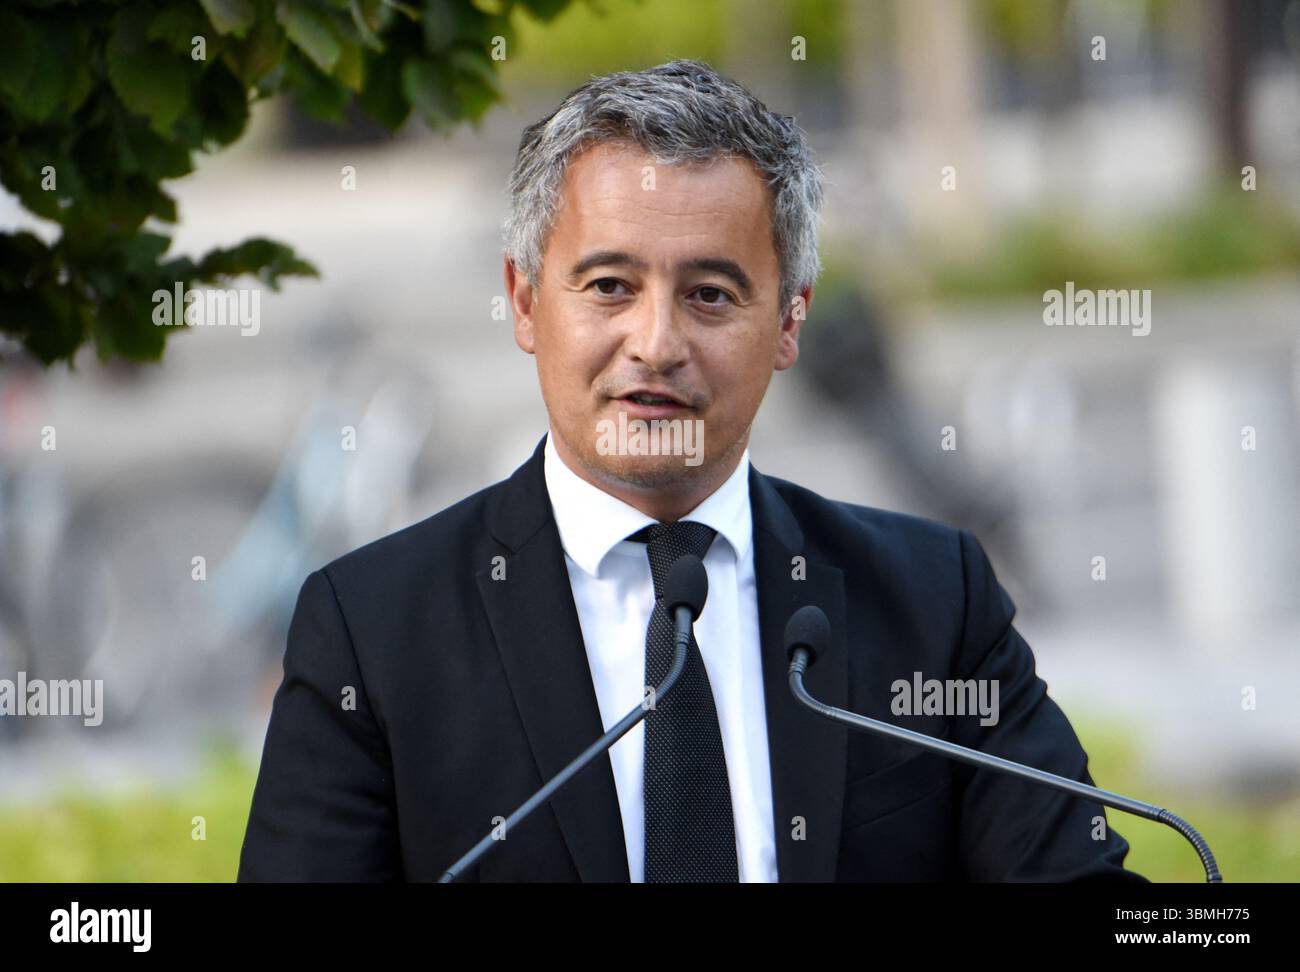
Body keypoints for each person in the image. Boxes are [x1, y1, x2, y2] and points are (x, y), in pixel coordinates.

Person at [238, 59, 1145, 883]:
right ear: (523, 301)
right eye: (609, 287)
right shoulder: (372, 630)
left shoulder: (932, 601)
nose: (658, 344)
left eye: (710, 295)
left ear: (790, 321)